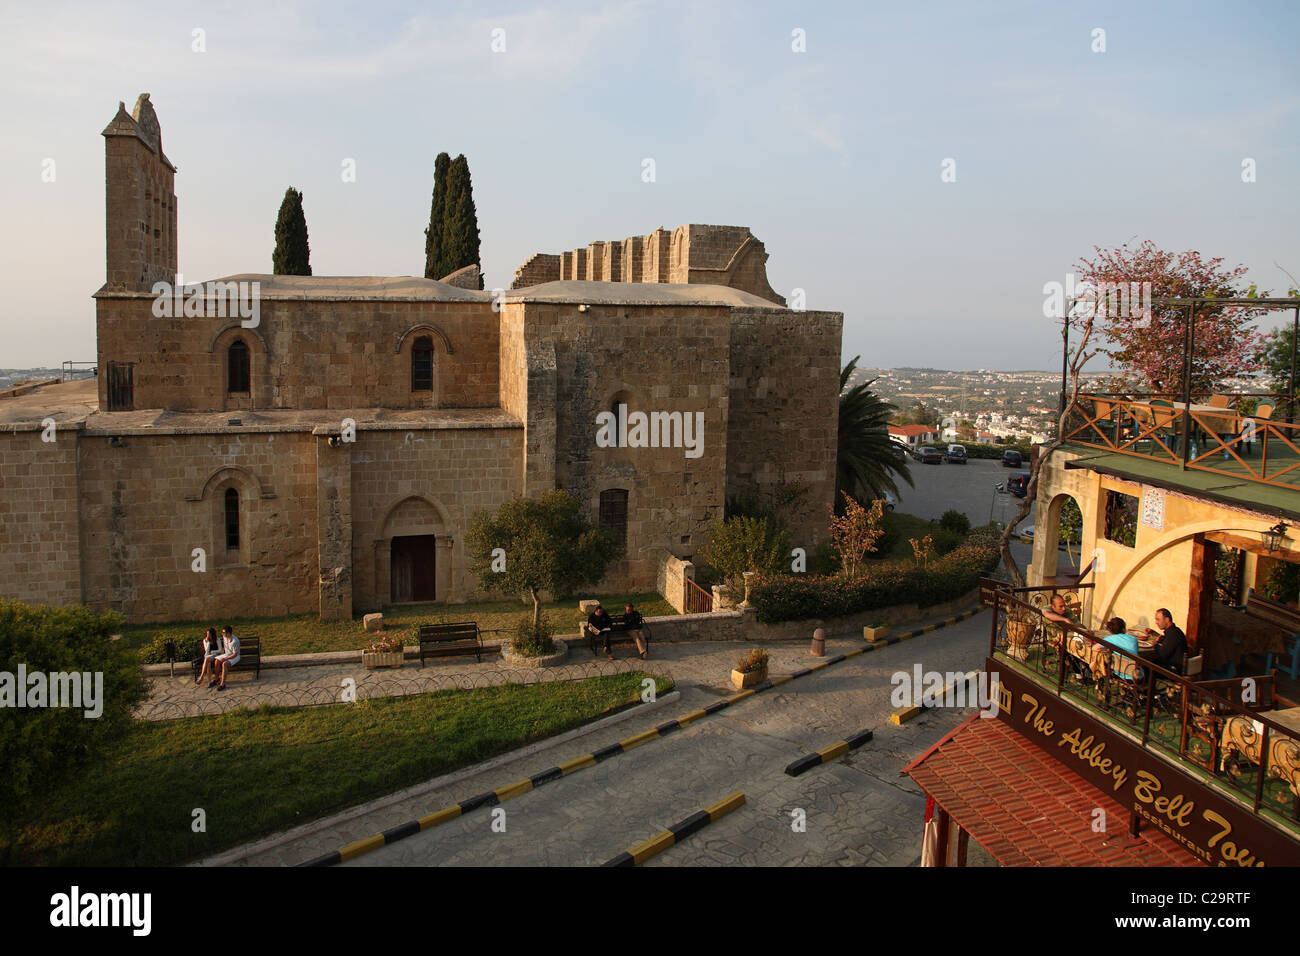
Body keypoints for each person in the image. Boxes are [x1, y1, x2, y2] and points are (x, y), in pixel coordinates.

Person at [1145, 608, 1187, 675]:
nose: (1156, 622)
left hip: (1174, 670)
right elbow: (1168, 643)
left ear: (1167, 620)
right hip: (1172, 666)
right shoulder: (1174, 631)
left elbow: (1163, 654)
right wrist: (1154, 634)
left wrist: (1155, 645)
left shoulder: (1173, 634)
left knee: (1145, 665)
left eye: (1158, 619)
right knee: (1148, 662)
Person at [1102, 617, 1141, 682]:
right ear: (1124, 629)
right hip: (1136, 674)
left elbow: (1095, 648)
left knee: (1104, 659)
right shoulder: (1134, 639)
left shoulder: (1110, 639)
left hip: (1119, 672)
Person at [214, 625, 241, 691]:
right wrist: (222, 654)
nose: (222, 634)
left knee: (224, 664)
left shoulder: (235, 641)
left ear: (228, 633)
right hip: (227, 654)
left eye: (224, 632)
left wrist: (226, 658)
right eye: (222, 632)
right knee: (217, 661)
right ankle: (216, 679)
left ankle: (222, 684)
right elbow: (225, 647)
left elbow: (235, 654)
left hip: (235, 656)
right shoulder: (224, 637)